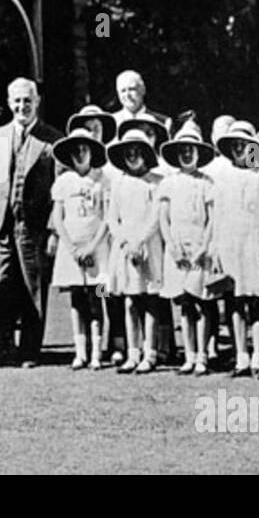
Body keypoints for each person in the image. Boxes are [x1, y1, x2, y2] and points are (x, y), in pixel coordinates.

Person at [0, 78, 63, 369]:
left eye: (27, 100)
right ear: (9, 104)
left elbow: (60, 190)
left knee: (33, 288)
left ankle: (29, 350)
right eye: (17, 101)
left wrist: (53, 230)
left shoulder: (52, 139)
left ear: (36, 102)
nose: (22, 106)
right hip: (2, 227)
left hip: (34, 228)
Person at [157, 122, 220, 376]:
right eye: (182, 149)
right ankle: (189, 354)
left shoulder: (207, 182)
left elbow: (213, 218)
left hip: (199, 249)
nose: (187, 154)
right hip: (177, 249)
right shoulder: (169, 182)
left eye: (191, 149)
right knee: (184, 303)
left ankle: (203, 355)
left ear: (199, 153)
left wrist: (204, 247)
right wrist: (172, 246)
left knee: (202, 301)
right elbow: (163, 218)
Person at [212, 121, 259, 378]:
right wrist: (215, 249)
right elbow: (218, 215)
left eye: (243, 145)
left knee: (255, 301)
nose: (239, 150)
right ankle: (241, 356)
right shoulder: (223, 177)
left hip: (253, 241)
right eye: (234, 145)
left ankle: (258, 356)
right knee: (234, 301)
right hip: (229, 242)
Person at [106, 127, 164, 374]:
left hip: (148, 247)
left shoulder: (156, 183)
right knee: (130, 300)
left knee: (150, 300)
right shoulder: (118, 183)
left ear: (145, 154)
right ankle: (133, 352)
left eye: (137, 152)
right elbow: (112, 218)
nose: (132, 156)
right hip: (125, 248)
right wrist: (126, 242)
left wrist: (140, 242)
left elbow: (156, 217)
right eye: (127, 152)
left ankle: (150, 353)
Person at [51, 128, 110, 370]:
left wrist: (92, 246)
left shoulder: (102, 179)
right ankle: (80, 352)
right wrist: (72, 248)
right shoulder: (63, 182)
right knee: (77, 300)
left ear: (92, 152)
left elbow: (107, 218)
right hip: (72, 250)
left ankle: (97, 352)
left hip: (97, 248)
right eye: (75, 150)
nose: (80, 154)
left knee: (98, 299)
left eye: (84, 149)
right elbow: (57, 217)